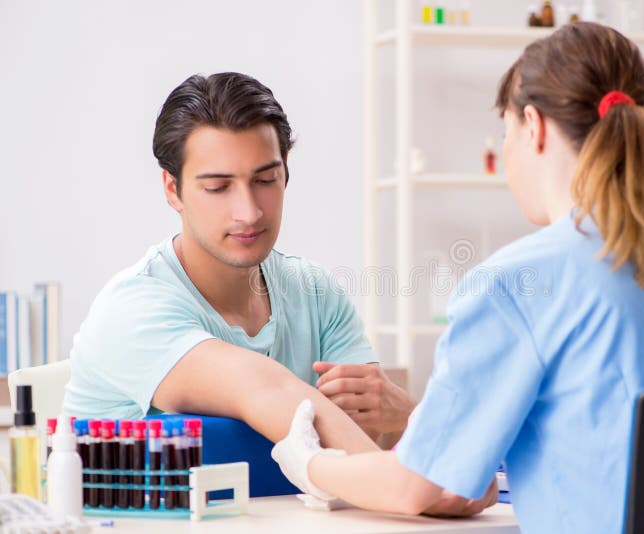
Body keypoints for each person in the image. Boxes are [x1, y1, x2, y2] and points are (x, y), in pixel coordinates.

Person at [270, 22, 644, 531]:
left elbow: (417, 485)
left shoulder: (518, 281)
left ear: (533, 126)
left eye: (505, 134)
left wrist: (312, 464)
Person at [62, 72, 415, 452]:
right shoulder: (132, 310)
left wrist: (403, 415)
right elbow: (266, 390)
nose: (249, 213)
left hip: (278, 511)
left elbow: (365, 435)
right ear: (172, 189)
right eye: (218, 187)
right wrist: (418, 433)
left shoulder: (314, 291)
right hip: (134, 512)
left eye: (265, 180)